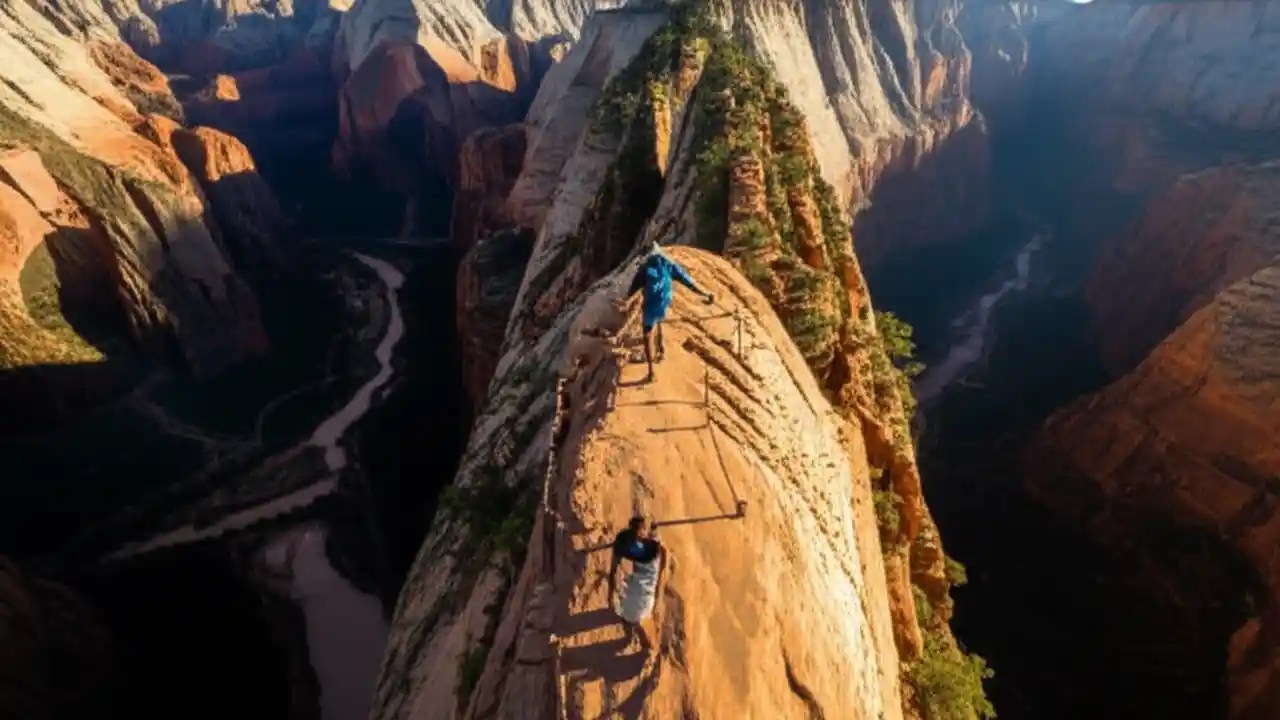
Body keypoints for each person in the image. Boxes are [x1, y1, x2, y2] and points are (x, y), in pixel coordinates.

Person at [626, 245, 714, 383]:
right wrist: (705, 293)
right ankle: (661, 347)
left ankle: (651, 373)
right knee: (659, 317)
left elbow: (631, 291)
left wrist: (626, 301)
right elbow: (687, 281)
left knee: (647, 333)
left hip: (651, 304)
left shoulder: (644, 271)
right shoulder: (669, 265)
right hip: (666, 300)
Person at [608, 516, 669, 638]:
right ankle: (634, 624)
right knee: (631, 613)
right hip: (642, 575)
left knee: (636, 613)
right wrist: (610, 593)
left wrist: (660, 580)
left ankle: (639, 628)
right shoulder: (625, 542)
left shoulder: (651, 545)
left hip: (647, 575)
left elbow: (663, 552)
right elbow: (614, 570)